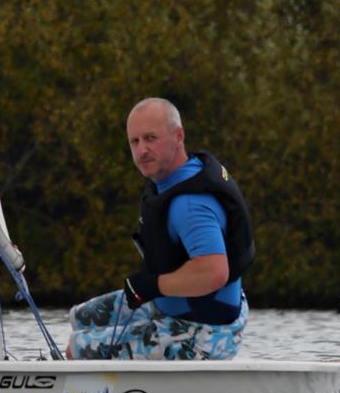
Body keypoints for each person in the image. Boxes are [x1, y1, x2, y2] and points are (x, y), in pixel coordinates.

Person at [66, 98, 254, 360]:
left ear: (179, 136)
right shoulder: (171, 179)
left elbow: (214, 273)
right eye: (134, 141)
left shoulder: (190, 205)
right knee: (80, 317)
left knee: (77, 348)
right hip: (174, 306)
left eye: (150, 138)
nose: (141, 150)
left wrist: (153, 285)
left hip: (203, 331)